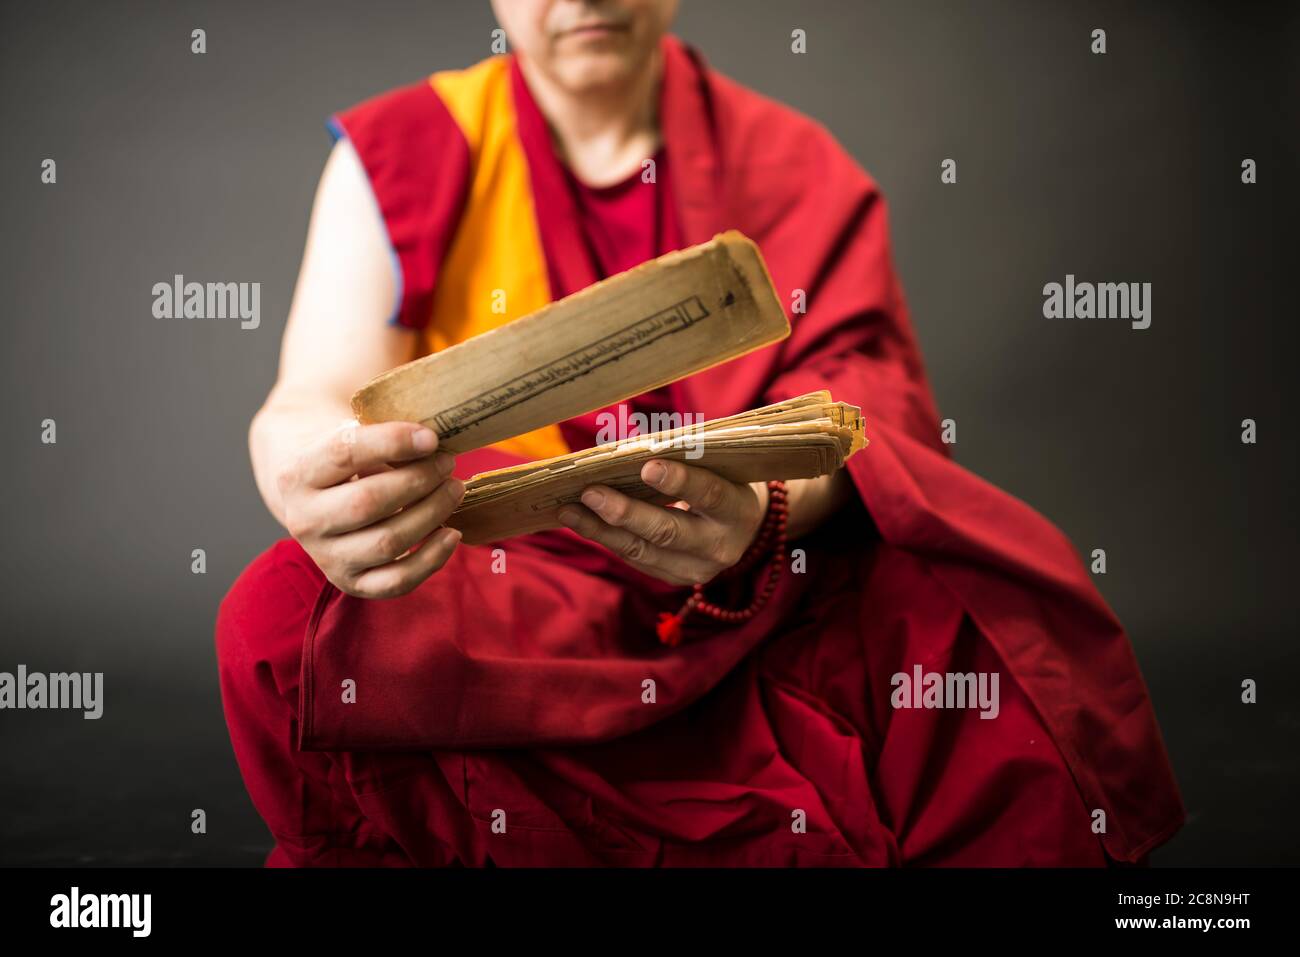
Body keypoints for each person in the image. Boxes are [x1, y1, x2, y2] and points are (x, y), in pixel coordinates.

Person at [216, 0, 1184, 866]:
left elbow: (871, 406)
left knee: (956, 601)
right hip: (517, 584)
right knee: (280, 619)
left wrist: (766, 512)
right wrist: (323, 482)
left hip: (749, 586)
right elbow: (312, 397)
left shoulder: (791, 158)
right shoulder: (408, 148)